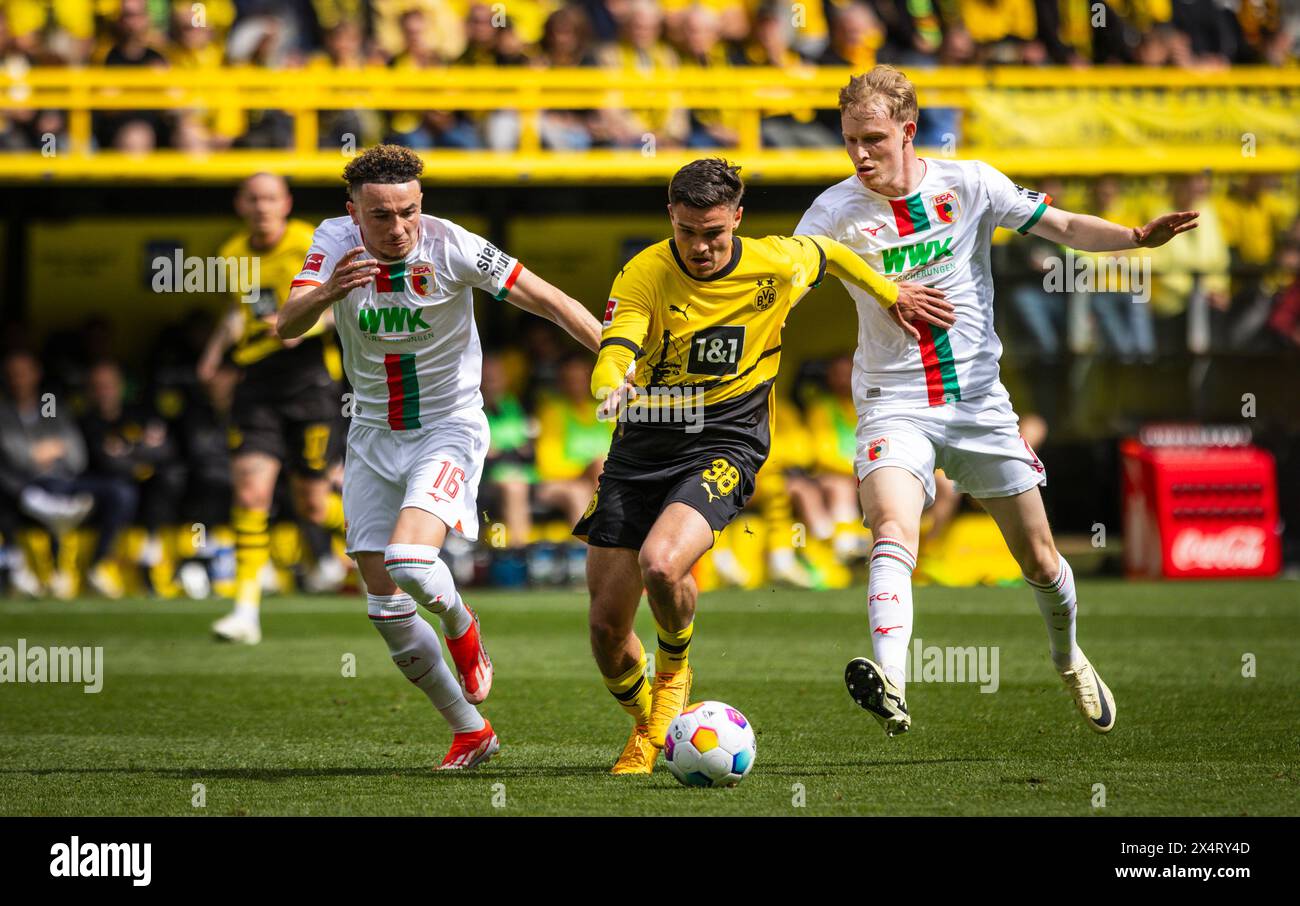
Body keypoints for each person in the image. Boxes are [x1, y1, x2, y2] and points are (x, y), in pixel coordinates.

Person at [795, 65, 1198, 737]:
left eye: (871, 139)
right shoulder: (833, 213)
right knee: (892, 527)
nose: (860, 155)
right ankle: (892, 678)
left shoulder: (970, 183)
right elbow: (787, 278)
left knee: (1039, 560)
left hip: (980, 404)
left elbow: (1062, 226)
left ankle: (1068, 657)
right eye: (849, 142)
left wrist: (1133, 240)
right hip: (894, 404)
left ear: (907, 130)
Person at [576, 157, 951, 774]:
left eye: (714, 233)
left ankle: (673, 677)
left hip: (726, 437)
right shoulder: (645, 270)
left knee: (662, 564)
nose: (699, 247)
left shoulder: (777, 262)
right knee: (605, 631)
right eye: (687, 231)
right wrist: (612, 379)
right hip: (643, 442)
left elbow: (832, 253)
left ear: (737, 220)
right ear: (671, 217)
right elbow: (619, 340)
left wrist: (891, 293)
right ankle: (653, 725)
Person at [275, 144, 602, 770]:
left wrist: (618, 358)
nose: (398, 229)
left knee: (409, 560)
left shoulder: (451, 245)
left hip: (447, 428)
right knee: (384, 608)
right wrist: (324, 295)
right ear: (353, 212)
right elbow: (288, 324)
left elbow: (549, 298)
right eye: (381, 216)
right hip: (370, 434)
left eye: (409, 212)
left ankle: (461, 624)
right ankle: (470, 730)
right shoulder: (333, 240)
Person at [197, 173, 346, 644]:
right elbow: (243, 312)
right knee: (251, 493)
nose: (262, 207)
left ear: (286, 203)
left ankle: (386, 528)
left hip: (308, 381)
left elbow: (347, 301)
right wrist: (213, 353)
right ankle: (245, 609)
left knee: (315, 506)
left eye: (270, 199)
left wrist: (309, 326)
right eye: (253, 199)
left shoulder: (310, 242)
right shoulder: (230, 253)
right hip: (257, 380)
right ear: (241, 204)